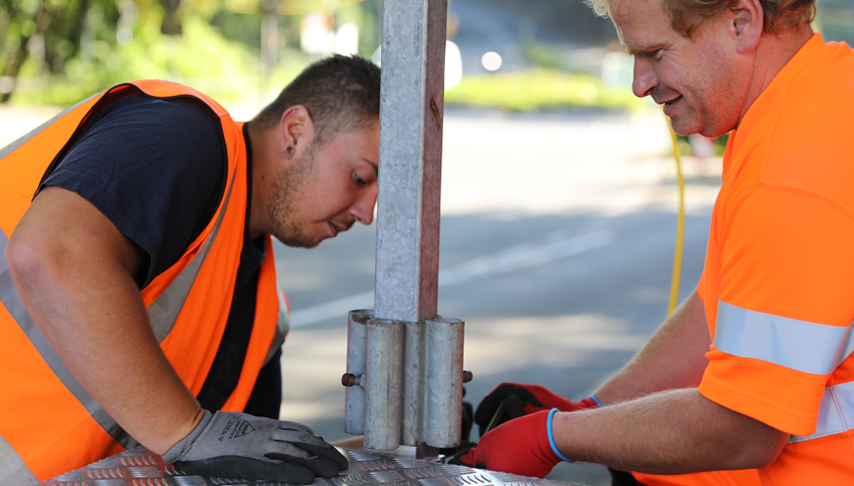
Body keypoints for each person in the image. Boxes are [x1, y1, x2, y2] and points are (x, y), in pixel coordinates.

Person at [451, 0, 854, 484]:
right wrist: (596, 408)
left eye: (656, 53)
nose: (640, 84)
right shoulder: (821, 92)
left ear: (742, 23)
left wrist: (554, 437)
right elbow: (725, 312)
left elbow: (743, 428)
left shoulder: (789, 171)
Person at [0, 54, 381, 485]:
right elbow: (50, 252)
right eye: (362, 177)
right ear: (295, 132)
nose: (368, 212)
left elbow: (247, 466)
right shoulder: (183, 133)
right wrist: (186, 430)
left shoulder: (263, 319)